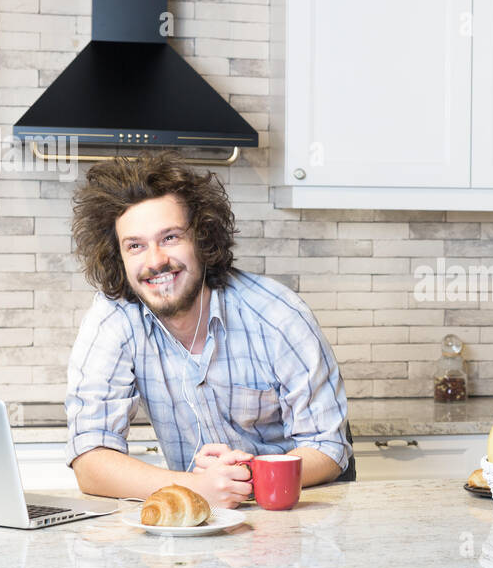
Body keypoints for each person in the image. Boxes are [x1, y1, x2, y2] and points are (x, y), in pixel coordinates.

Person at [63, 152, 351, 508]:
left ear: (202, 238)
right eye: (135, 245)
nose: (154, 261)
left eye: (170, 238)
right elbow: (90, 461)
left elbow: (328, 448)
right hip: (196, 520)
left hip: (292, 514)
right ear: (117, 257)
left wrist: (242, 476)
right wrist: (197, 487)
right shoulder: (114, 318)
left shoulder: (278, 315)